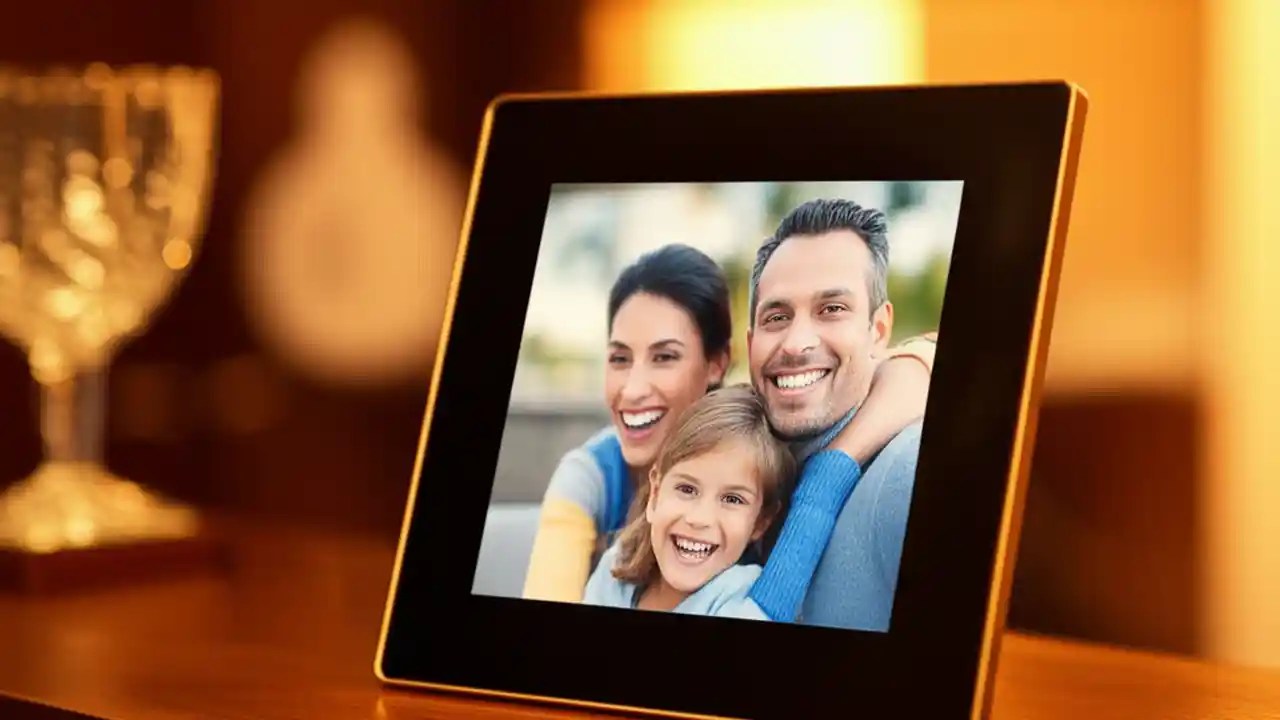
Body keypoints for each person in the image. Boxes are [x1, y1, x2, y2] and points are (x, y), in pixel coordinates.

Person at [521, 242, 937, 603]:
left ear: (718, 363)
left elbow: (922, 358)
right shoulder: (589, 475)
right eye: (619, 358)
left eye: (665, 357)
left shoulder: (754, 433)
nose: (632, 389)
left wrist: (835, 463)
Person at [746, 198, 931, 631]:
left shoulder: (908, 472)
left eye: (832, 309)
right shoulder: (736, 462)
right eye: (777, 316)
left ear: (878, 331)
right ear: (750, 339)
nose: (796, 343)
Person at [582, 385, 793, 619]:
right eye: (687, 489)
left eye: (732, 499)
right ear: (655, 494)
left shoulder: (742, 595)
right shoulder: (616, 565)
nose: (699, 519)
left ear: (760, 523)